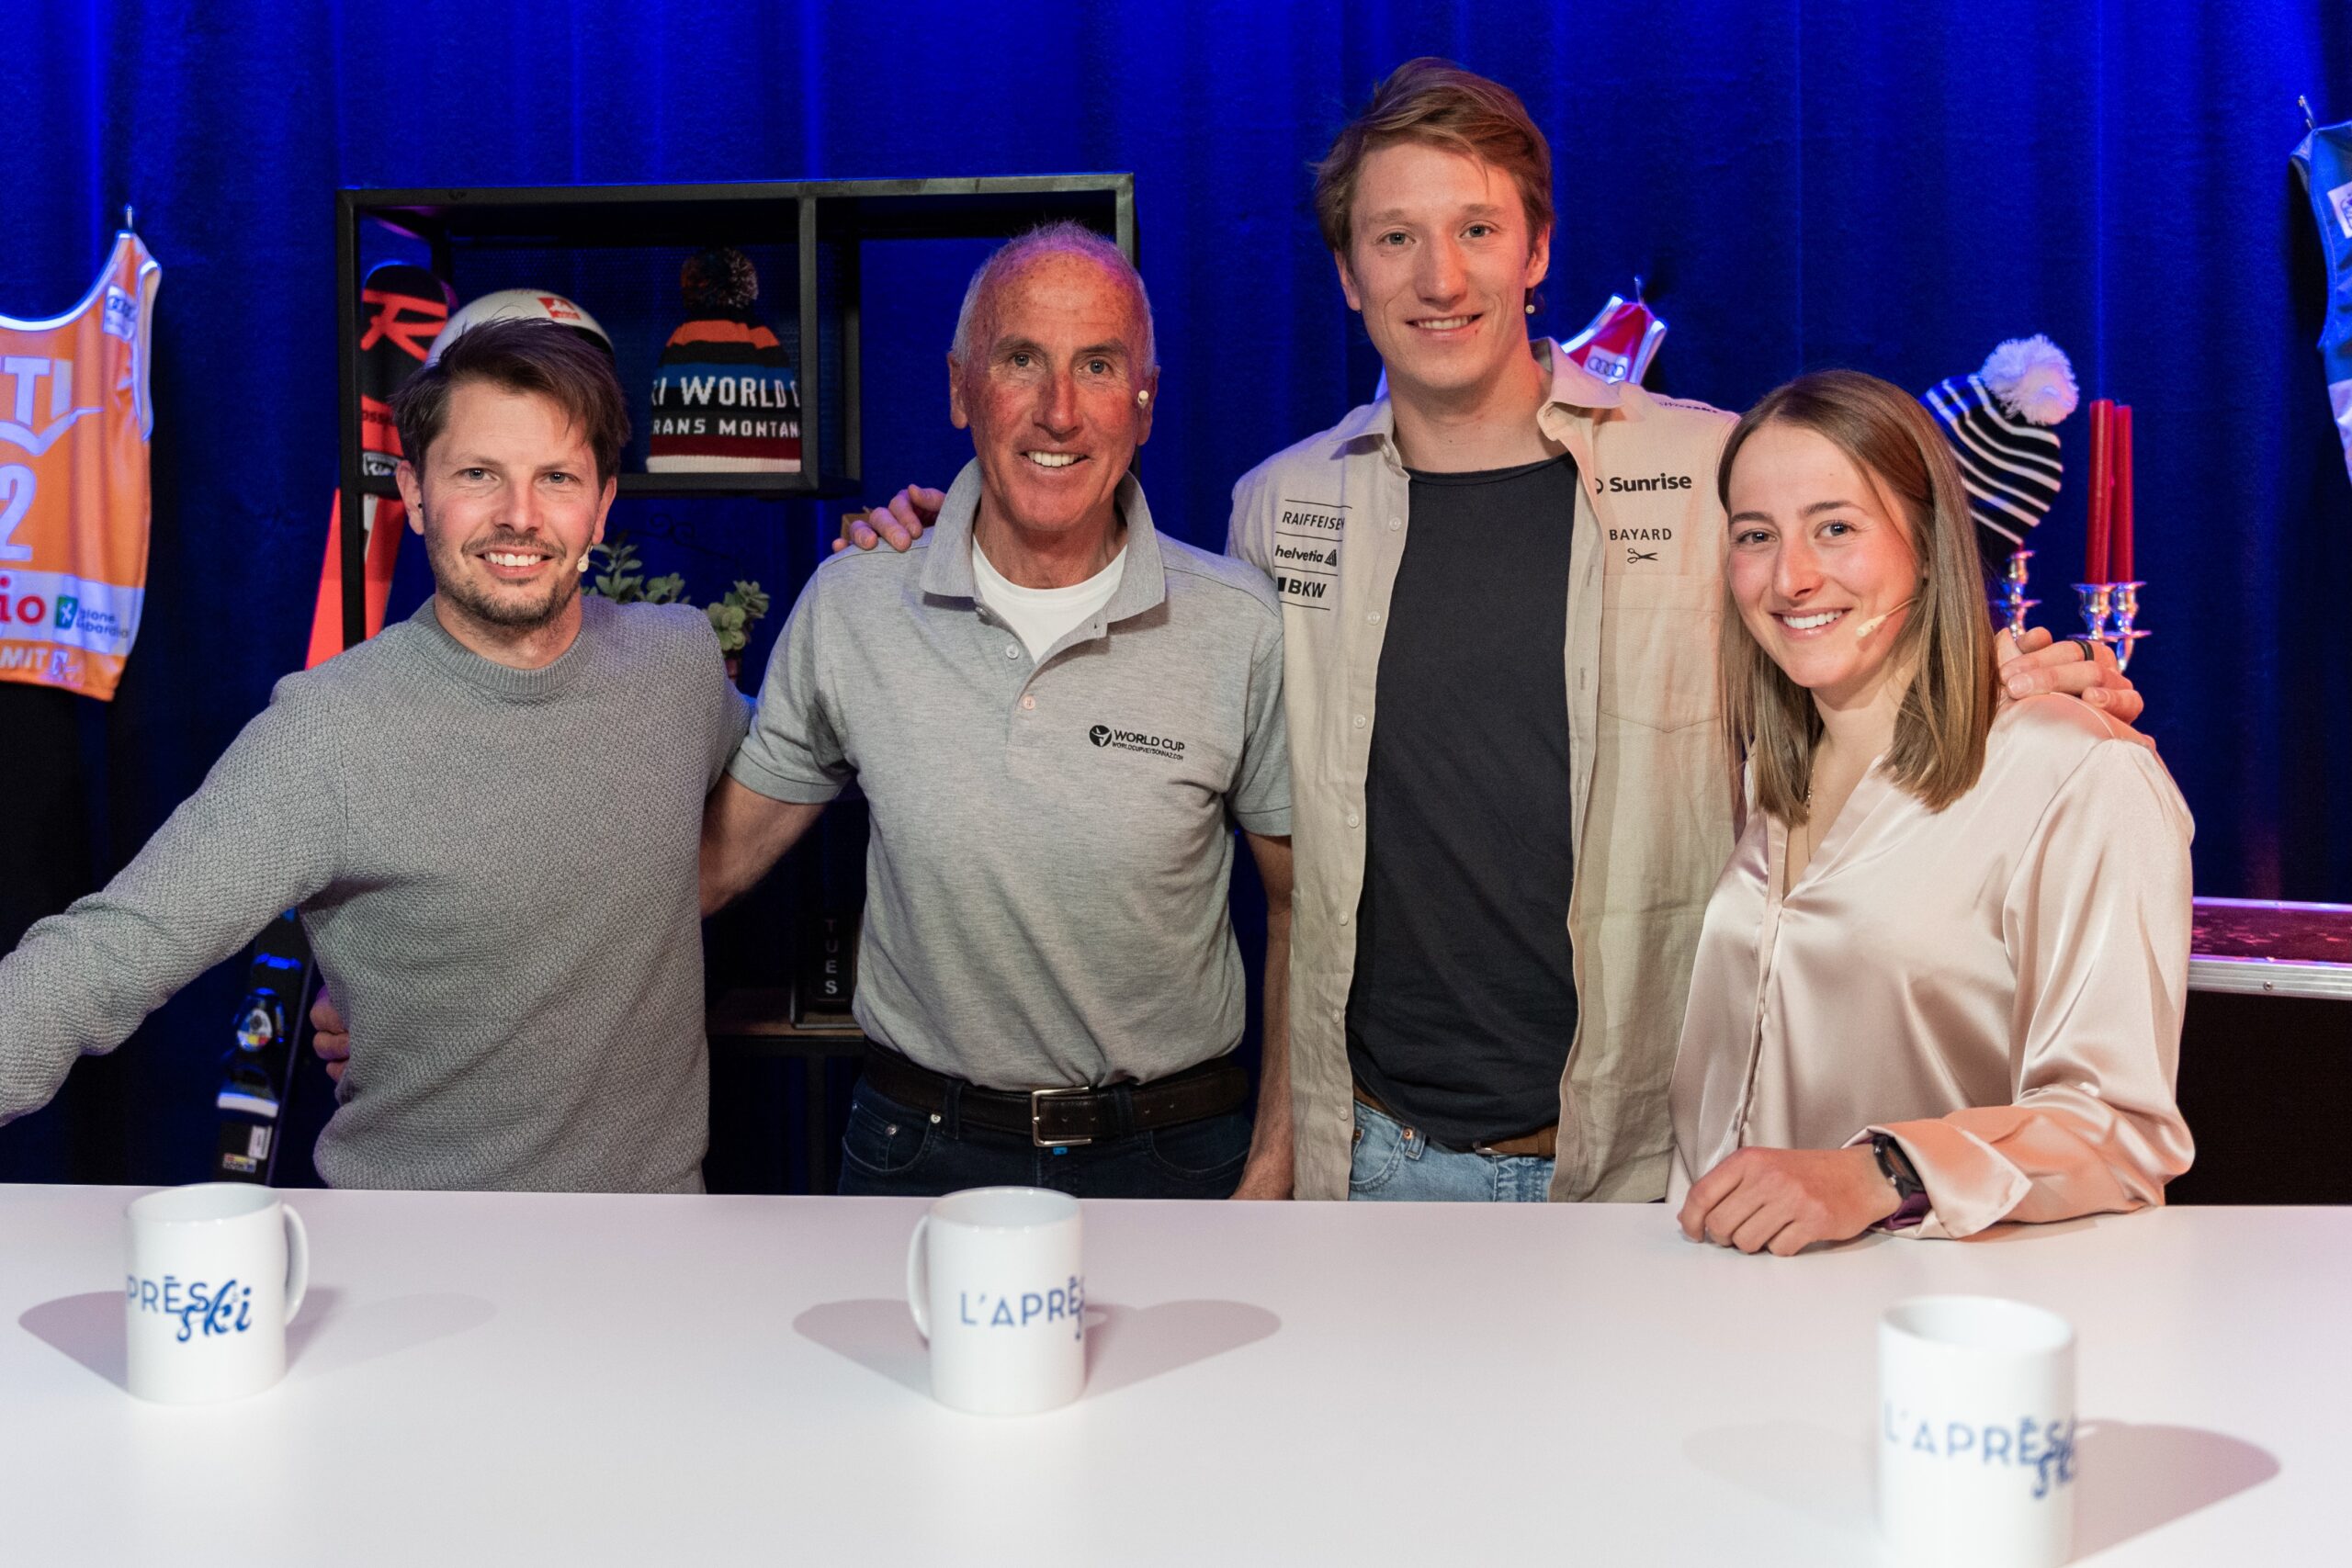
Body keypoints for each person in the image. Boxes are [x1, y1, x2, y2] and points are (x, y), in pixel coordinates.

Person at [844, 61, 2139, 1205]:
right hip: (1376, 1161)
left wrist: (1994, 674)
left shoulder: (1702, 469)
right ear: (1348, 275)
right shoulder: (1277, 507)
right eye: (1394, 237)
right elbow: (1160, 676)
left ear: (1536, 250)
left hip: (1649, 1161)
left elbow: (1841, 640)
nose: (1439, 275)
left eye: (1475, 228)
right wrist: (931, 534)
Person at [0, 320, 748, 1192]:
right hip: (413, 1256)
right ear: (417, 493)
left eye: (557, 478)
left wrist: (899, 570)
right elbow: (114, 949)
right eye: (478, 475)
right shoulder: (330, 730)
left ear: (603, 505)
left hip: (654, 1251)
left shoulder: (678, 665)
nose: (520, 514)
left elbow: (803, 758)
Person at [702, 223, 1295, 1200]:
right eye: (1021, 360)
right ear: (960, 387)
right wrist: (432, 996)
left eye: (1098, 366)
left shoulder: (1238, 627)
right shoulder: (856, 603)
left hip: (1175, 1156)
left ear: (1143, 404)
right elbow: (712, 869)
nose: (1059, 411)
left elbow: (1301, 911)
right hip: (915, 1153)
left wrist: (1273, 1167)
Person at [1671, 370, 2193, 1251]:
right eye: (1756, 535)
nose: (1792, 576)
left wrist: (1884, 1171)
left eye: (1836, 527)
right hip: (1734, 1303)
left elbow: (2122, 1129)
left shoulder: (2076, 769)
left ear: (1928, 540)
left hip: (1947, 1322)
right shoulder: (1773, 769)